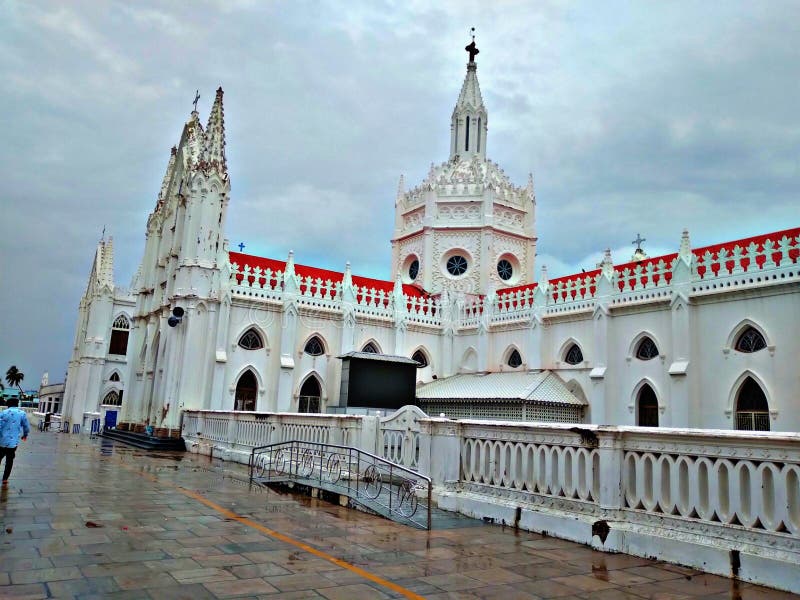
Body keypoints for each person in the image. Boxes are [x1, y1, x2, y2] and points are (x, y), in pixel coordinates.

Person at [0, 398, 30, 485]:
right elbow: (26, 427)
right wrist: (25, 435)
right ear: (17, 404)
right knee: (9, 460)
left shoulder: (3, 413)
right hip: (13, 444)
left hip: (1, 442)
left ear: (8, 405)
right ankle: (5, 478)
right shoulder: (22, 413)